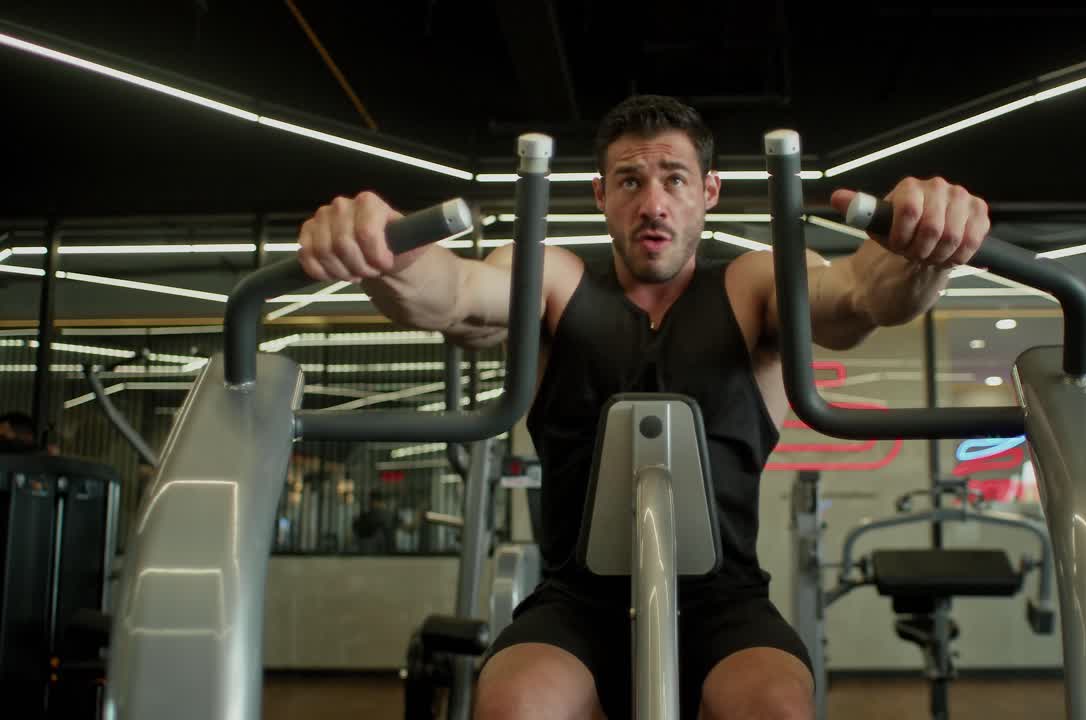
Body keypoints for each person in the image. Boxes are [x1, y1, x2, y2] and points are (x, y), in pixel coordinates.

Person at [297, 95, 990, 720]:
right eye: (630, 180)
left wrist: (922, 251)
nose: (653, 202)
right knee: (510, 705)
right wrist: (384, 255)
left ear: (708, 193)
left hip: (725, 605)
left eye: (675, 180)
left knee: (778, 709)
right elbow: (453, 294)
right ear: (601, 194)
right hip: (575, 605)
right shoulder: (556, 279)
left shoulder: (753, 284)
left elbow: (858, 297)